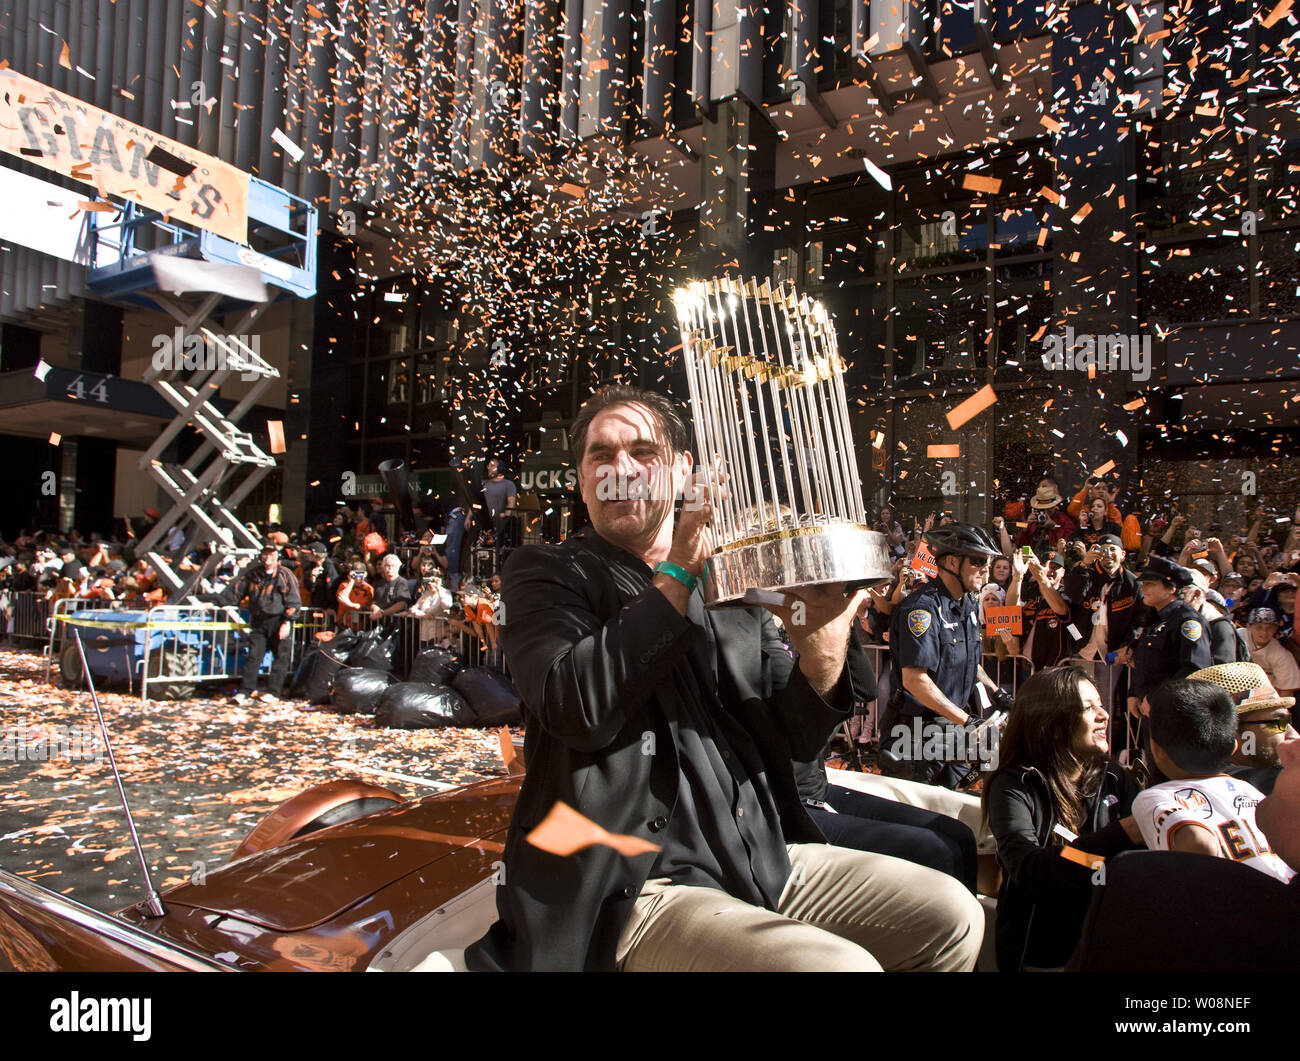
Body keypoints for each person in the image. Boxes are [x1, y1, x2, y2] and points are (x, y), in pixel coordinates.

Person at [466, 384, 983, 972]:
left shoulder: (734, 584)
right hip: (634, 886)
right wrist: (679, 571)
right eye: (600, 456)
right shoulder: (545, 573)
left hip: (757, 855)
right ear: (581, 478)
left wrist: (824, 644)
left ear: (684, 469)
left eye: (643, 451)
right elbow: (575, 706)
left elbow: (794, 743)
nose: (621, 469)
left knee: (952, 913)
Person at [983, 666, 1142, 971]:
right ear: (1052, 723)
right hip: (1041, 956)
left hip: (1107, 945)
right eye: (1088, 707)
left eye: (1101, 703)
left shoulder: (1113, 776)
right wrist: (1118, 837)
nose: (1104, 715)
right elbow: (1030, 870)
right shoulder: (1015, 785)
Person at [881, 523, 1010, 790]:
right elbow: (915, 680)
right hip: (917, 733)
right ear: (951, 562)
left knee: (953, 809)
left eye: (987, 561)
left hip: (953, 727)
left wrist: (997, 693)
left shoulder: (968, 604)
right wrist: (968, 721)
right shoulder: (922, 609)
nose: (986, 568)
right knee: (918, 821)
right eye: (977, 561)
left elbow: (969, 662)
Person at [1132, 679, 1293, 883]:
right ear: (1234, 745)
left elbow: (1198, 843)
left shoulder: (1155, 797)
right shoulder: (1252, 791)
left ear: (1155, 749)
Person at [1127, 556, 1214, 766]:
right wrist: (1134, 693)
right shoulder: (1155, 619)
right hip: (1153, 711)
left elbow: (1195, 669)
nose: (1144, 589)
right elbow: (1144, 662)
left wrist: (1156, 697)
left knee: (1176, 769)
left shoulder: (1188, 621)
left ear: (1171, 588)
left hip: (1175, 713)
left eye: (1150, 584)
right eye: (1143, 584)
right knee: (1156, 768)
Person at [1186, 661, 1297, 796]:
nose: (1295, 735)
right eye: (1277, 723)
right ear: (1228, 733)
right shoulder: (1222, 787)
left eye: (1287, 721)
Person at [226, 544, 301, 704]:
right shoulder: (253, 575)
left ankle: (274, 692)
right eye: (265, 555)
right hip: (259, 621)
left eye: (271, 555)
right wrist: (214, 602)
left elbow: (294, 600)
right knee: (254, 656)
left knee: (280, 658)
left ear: (277, 556)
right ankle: (245, 691)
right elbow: (235, 592)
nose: (268, 558)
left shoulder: (285, 574)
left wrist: (288, 622)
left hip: (279, 620)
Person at [1244, 606, 1300, 700]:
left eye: (1269, 628)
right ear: (1249, 626)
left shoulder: (1281, 655)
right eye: (1259, 627)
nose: (1264, 632)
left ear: (1275, 629)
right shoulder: (1238, 638)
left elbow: (1287, 691)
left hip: (1266, 698)